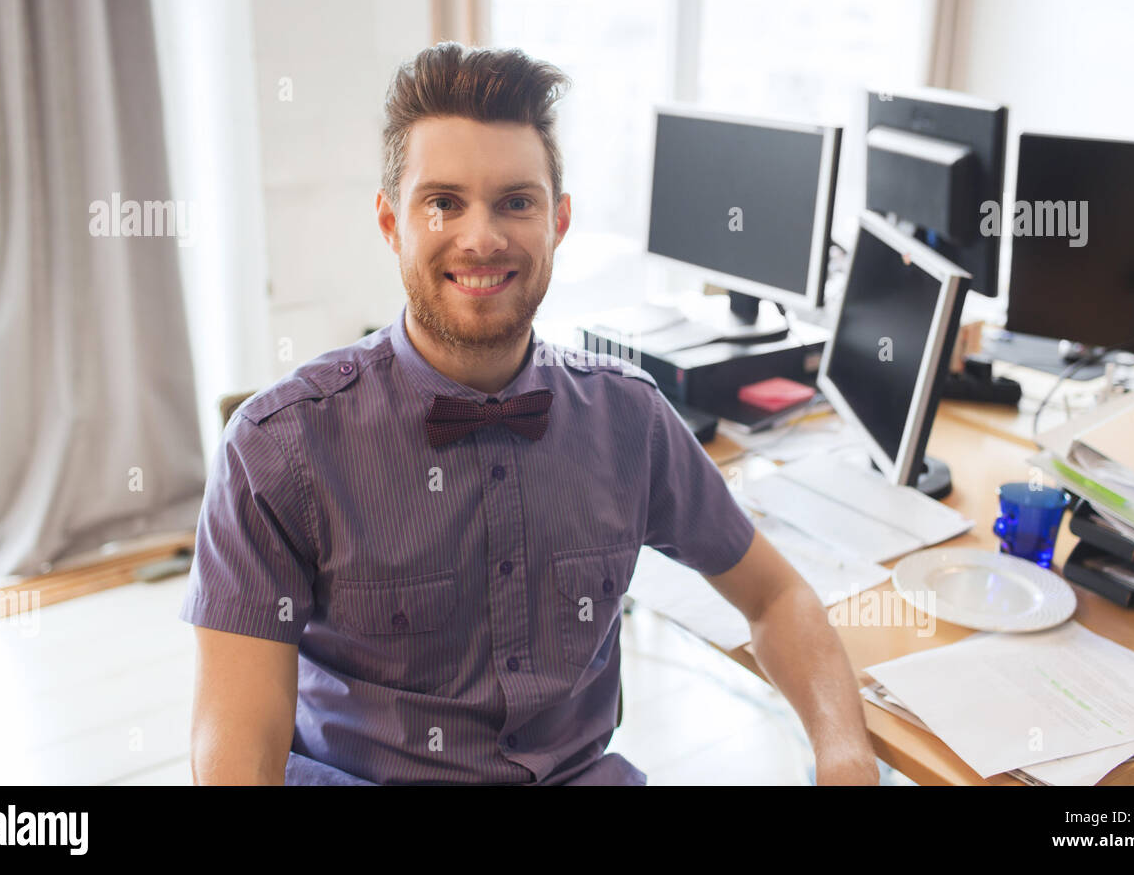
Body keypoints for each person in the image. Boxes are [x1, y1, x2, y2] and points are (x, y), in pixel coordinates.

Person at [180, 42, 879, 786]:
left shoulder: (630, 419)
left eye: (516, 201)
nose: (481, 237)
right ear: (392, 224)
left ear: (559, 222)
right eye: (443, 202)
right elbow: (237, 760)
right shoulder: (277, 449)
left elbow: (776, 596)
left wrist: (844, 754)